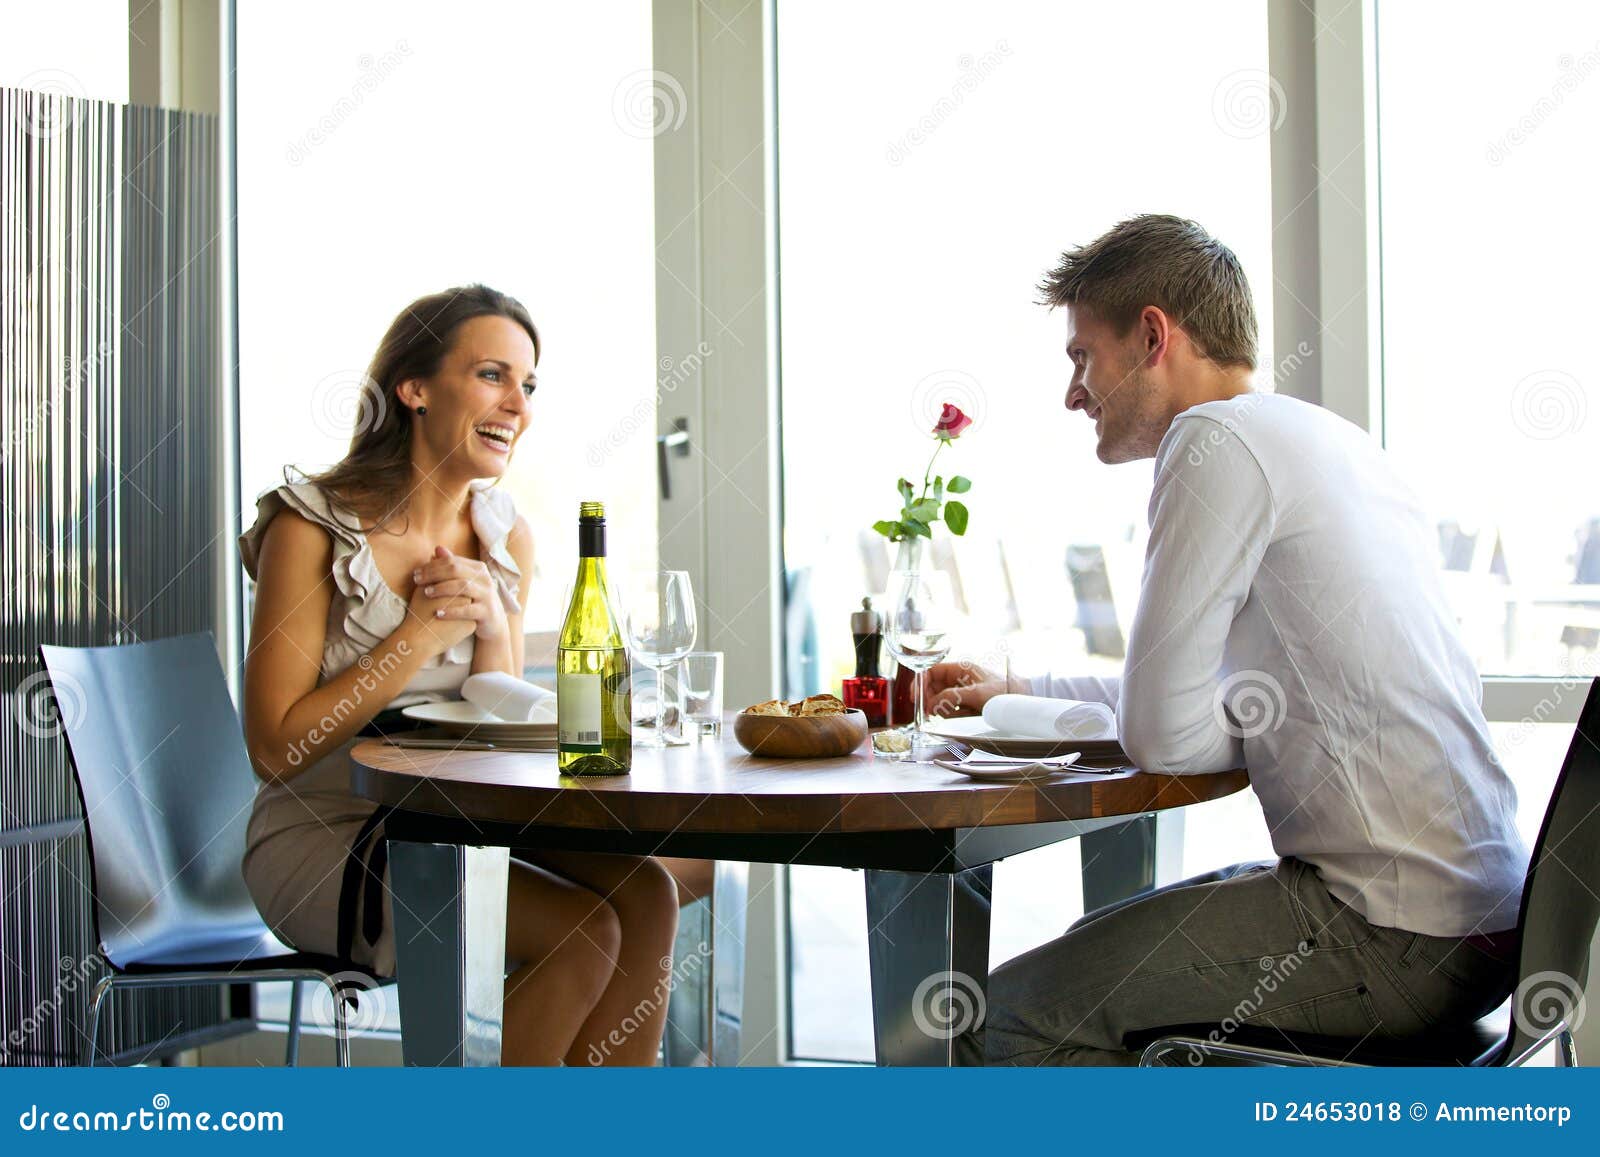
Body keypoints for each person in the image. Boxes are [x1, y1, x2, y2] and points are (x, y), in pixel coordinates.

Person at [923, 216, 1529, 1065]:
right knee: (1087, 948)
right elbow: (1182, 705)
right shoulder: (1328, 440)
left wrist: (1212, 722)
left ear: (1152, 336)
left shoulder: (1213, 442)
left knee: (988, 1022)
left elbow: (1163, 733)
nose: (1072, 394)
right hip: (1483, 921)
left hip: (1391, 930)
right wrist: (1020, 690)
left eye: (1082, 356)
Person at [240, 285, 706, 1065]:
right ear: (414, 388)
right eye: (493, 375)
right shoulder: (310, 525)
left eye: (528, 384)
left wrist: (492, 629)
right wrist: (417, 636)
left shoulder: (504, 533)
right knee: (584, 932)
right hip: (332, 829)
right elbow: (273, 749)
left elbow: (493, 729)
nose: (517, 404)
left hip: (460, 820)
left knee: (650, 891)